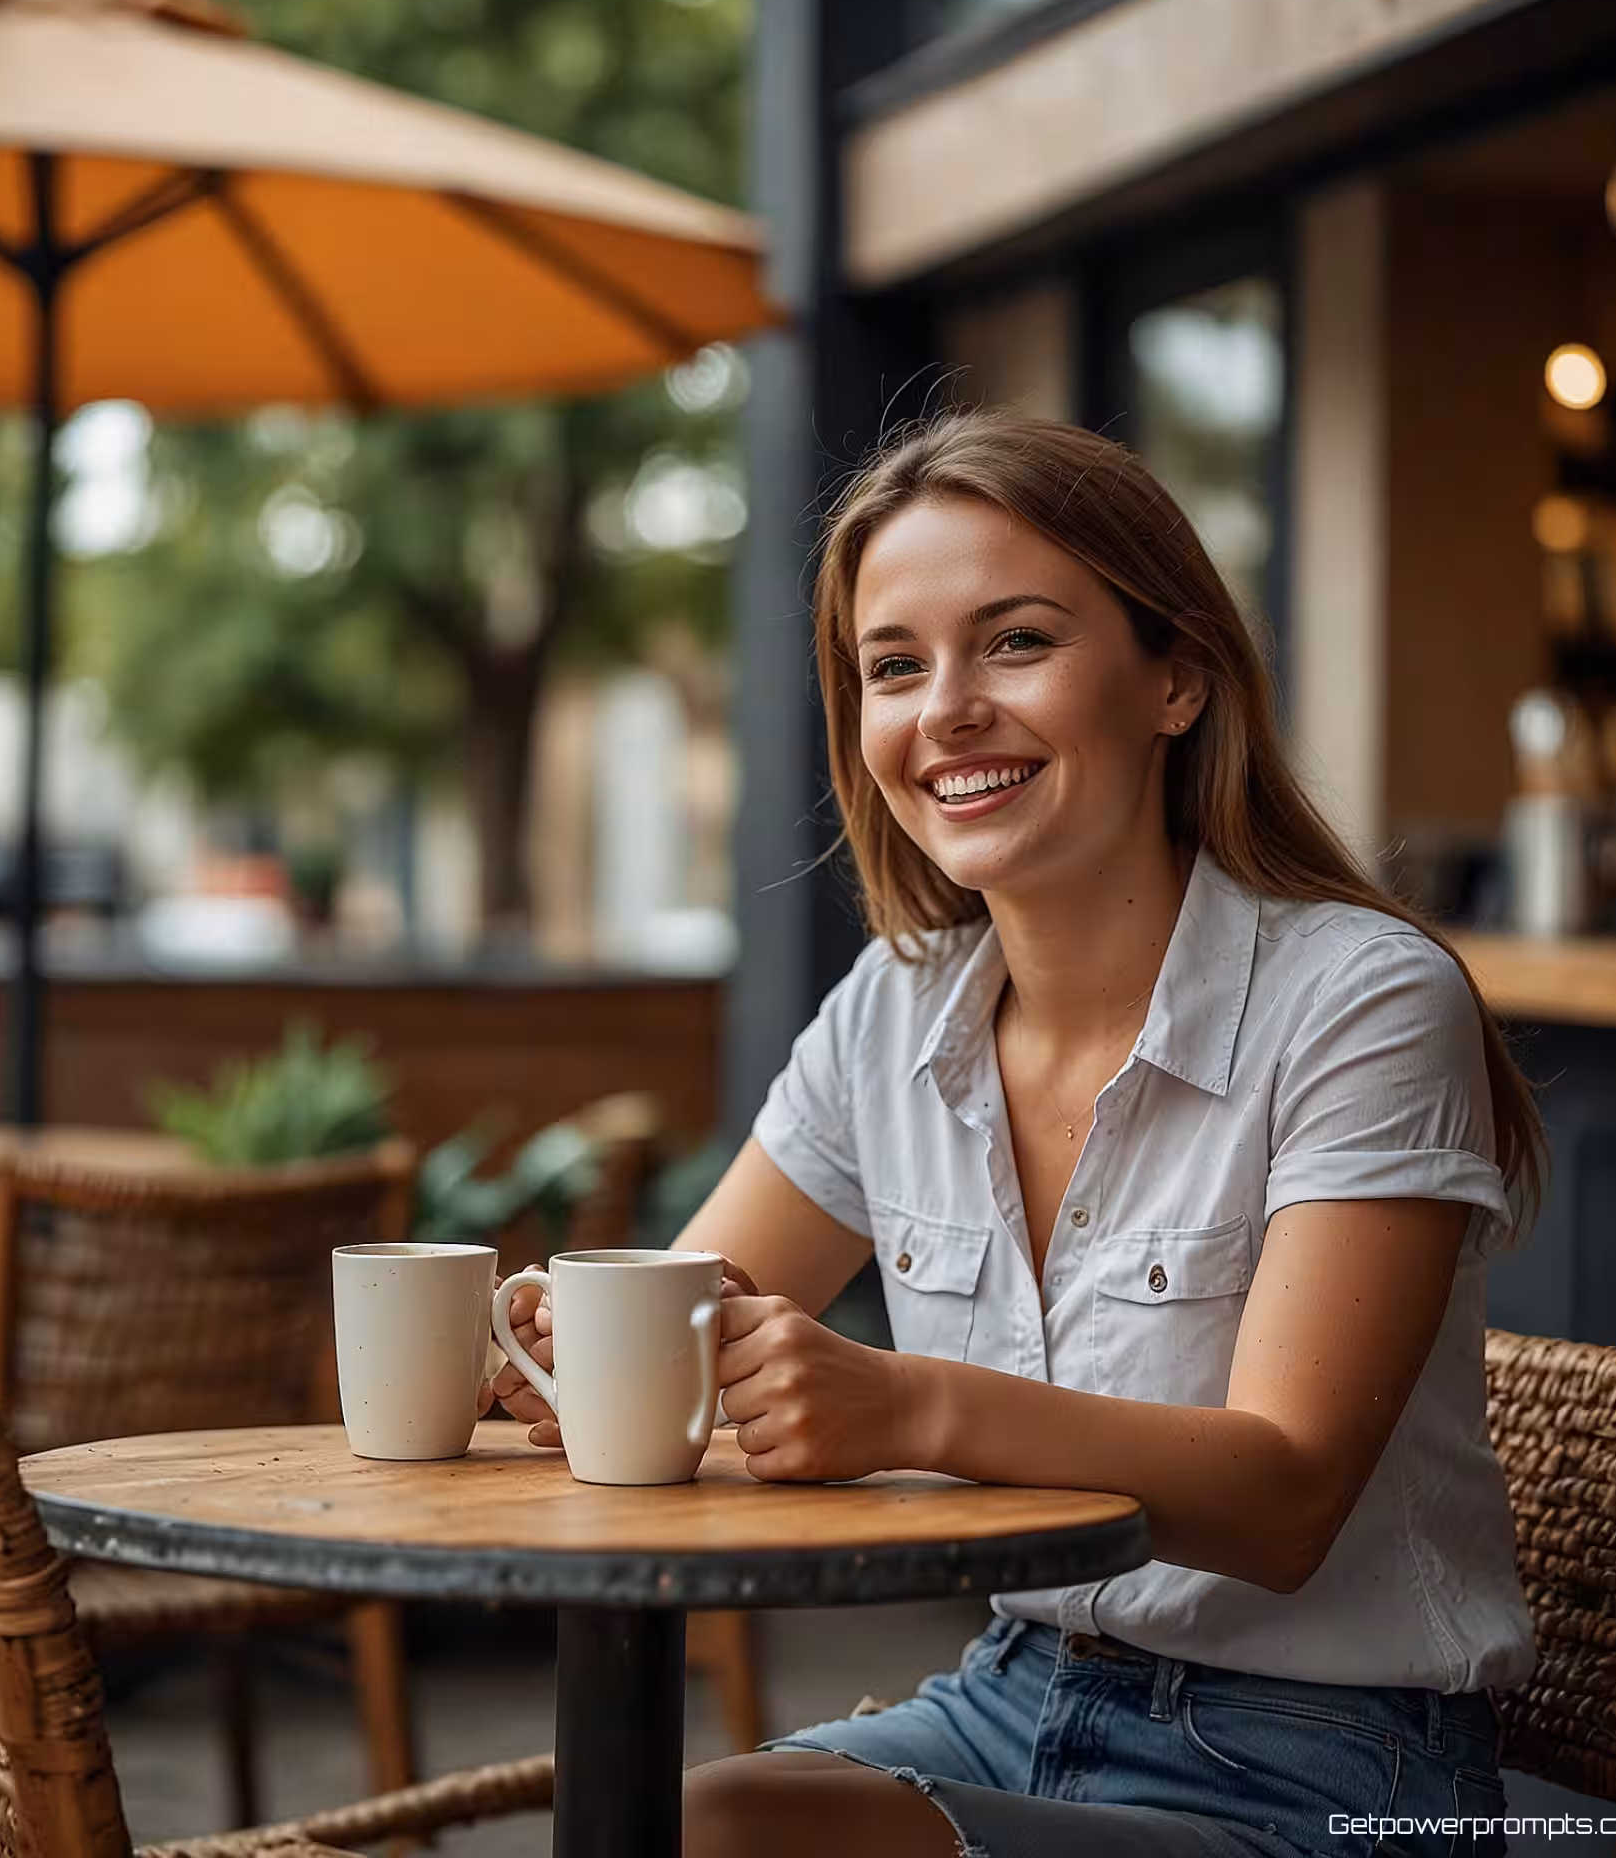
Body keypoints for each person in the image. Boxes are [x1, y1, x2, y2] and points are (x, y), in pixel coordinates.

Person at [494, 411, 1542, 1858]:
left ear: (1176, 677)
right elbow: (691, 1322)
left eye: (1017, 642)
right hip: (1013, 1698)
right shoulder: (893, 1009)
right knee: (670, 1830)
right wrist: (576, 1365)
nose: (946, 713)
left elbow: (1288, 1499)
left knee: (730, 1845)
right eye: (894, 667)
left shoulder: (1360, 1000)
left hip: (1340, 1770)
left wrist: (907, 1407)